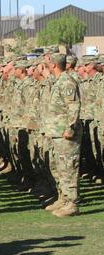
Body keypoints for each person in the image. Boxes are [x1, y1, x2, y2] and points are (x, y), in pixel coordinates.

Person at [43, 54, 83, 217]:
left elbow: (74, 106)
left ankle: (72, 203)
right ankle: (64, 198)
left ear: (53, 65)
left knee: (69, 167)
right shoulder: (59, 81)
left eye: (47, 63)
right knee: (60, 167)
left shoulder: (67, 82)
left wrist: (70, 128)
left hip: (66, 134)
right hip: (57, 132)